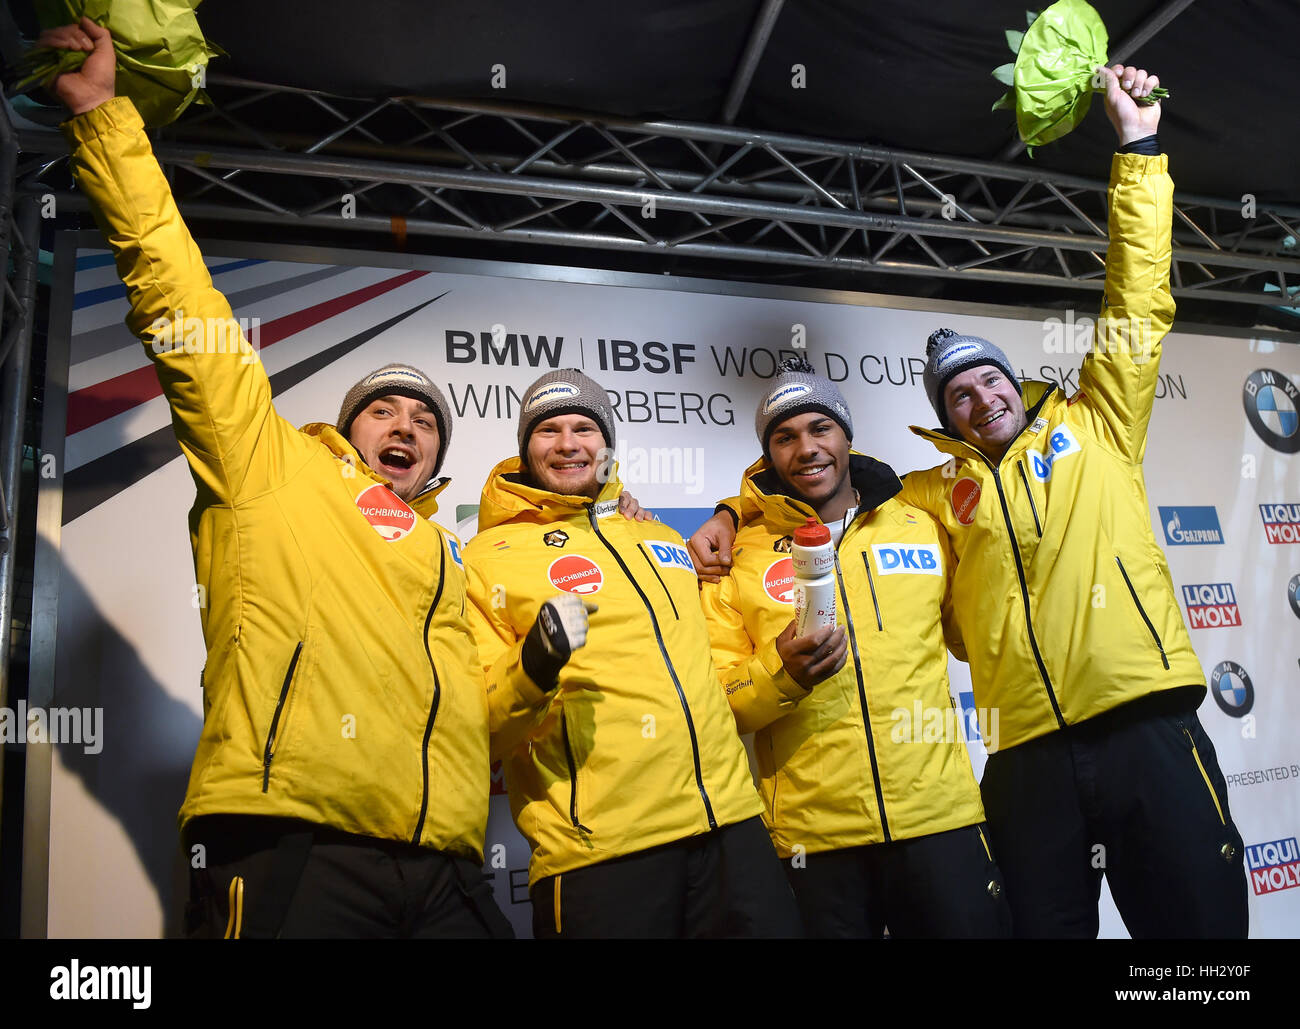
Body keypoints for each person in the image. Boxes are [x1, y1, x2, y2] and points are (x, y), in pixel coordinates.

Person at [688, 64, 1247, 938]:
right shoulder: (928, 495)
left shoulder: (1099, 421)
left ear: (1018, 385)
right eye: (957, 393)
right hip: (1023, 756)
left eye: (989, 379)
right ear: (944, 416)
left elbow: (1138, 298)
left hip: (1144, 725)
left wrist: (1138, 149)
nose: (979, 396)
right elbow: (821, 479)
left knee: (1198, 952)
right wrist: (732, 508)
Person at [43, 19, 515, 938]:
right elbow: (183, 305)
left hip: (449, 860)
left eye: (424, 423)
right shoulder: (268, 462)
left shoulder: (443, 552)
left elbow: (469, 699)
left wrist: (532, 673)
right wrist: (105, 119)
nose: (406, 427)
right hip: (294, 840)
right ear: (347, 429)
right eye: (386, 410)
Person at [462, 369, 801, 937]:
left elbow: (711, 685)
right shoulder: (485, 558)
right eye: (548, 430)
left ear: (608, 443)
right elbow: (476, 729)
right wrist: (533, 668)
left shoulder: (660, 536)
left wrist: (784, 676)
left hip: (732, 827)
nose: (569, 443)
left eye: (584, 428)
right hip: (602, 852)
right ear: (525, 450)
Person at [698, 358, 1011, 937]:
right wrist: (780, 674)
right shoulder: (735, 554)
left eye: (821, 429)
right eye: (784, 438)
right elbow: (721, 701)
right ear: (767, 457)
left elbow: (972, 636)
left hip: (938, 819)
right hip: (814, 839)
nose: (806, 449)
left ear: (848, 436)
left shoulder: (919, 519)